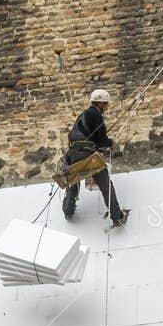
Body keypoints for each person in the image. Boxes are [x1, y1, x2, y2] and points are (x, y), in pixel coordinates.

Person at [61, 88, 128, 226]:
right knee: (105, 184)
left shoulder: (82, 116)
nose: (107, 107)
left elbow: (91, 139)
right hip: (87, 154)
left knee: (73, 182)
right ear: (101, 104)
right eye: (106, 104)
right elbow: (101, 140)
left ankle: (68, 212)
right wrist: (111, 144)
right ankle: (117, 217)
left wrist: (100, 146)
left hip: (73, 154)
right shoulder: (96, 115)